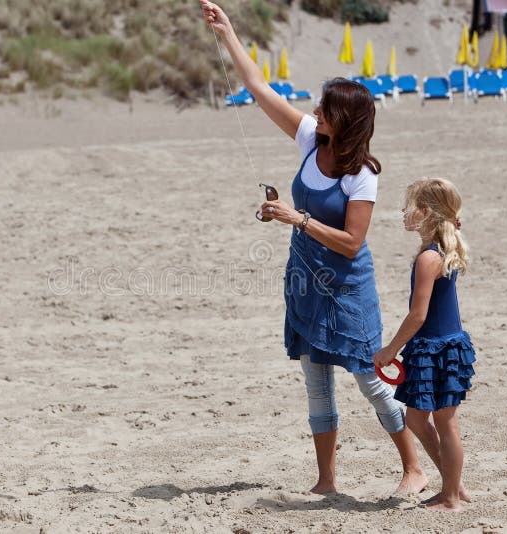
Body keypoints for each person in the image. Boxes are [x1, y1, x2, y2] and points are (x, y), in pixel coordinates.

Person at [199, 0, 428, 495]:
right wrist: (228, 33)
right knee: (316, 384)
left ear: (343, 121)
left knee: (370, 380)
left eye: (325, 108)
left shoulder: (361, 176)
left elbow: (352, 243)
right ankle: (326, 480)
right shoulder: (310, 139)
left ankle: (413, 467)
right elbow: (260, 89)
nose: (314, 111)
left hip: (347, 287)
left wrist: (297, 218)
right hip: (304, 281)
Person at [373, 178, 476, 512]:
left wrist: (390, 349)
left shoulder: (428, 258)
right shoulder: (442, 250)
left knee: (446, 423)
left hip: (437, 350)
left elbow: (417, 316)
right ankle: (453, 483)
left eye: (409, 207)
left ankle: (450, 498)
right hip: (438, 347)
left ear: (426, 212)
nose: (404, 214)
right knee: (418, 420)